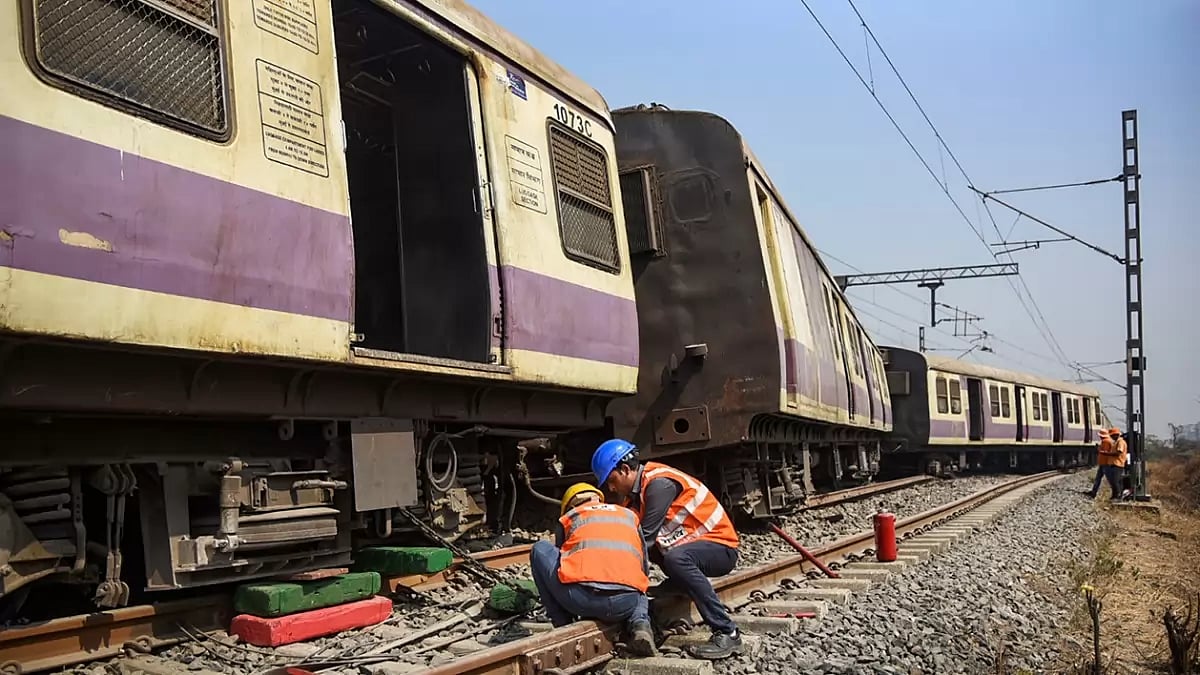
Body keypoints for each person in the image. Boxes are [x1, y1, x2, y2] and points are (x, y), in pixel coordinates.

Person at [591, 439, 743, 660]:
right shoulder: (635, 498)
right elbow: (625, 537)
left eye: (611, 481)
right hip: (693, 549)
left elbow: (644, 541)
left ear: (625, 470)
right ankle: (680, 583)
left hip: (721, 548)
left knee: (673, 557)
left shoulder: (658, 484)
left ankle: (728, 631)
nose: (611, 488)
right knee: (660, 549)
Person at [529, 482, 656, 657]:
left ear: (570, 506)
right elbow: (644, 567)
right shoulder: (629, 515)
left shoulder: (570, 517)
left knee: (540, 548)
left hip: (580, 600)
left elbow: (560, 564)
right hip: (626, 604)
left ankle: (563, 625)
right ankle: (640, 624)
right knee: (638, 577)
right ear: (597, 497)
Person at [1086, 429, 1116, 498]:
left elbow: (1104, 451)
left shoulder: (1105, 441)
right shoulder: (1109, 441)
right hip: (1104, 463)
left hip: (1105, 463)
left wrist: (1098, 449)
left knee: (1109, 479)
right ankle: (1094, 492)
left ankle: (1115, 493)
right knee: (1098, 478)